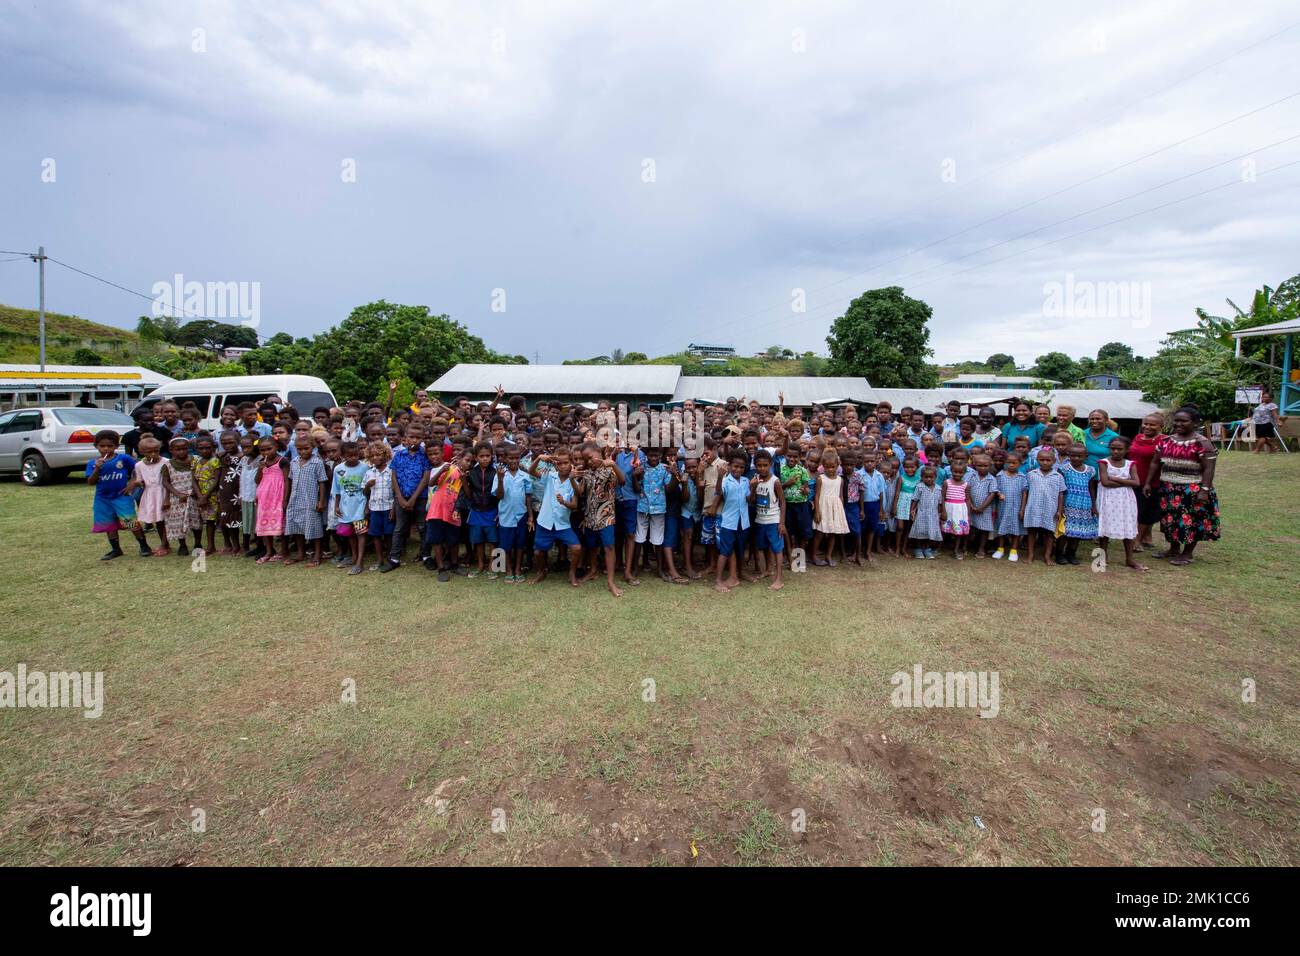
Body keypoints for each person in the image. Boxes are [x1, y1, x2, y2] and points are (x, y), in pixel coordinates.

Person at [1145, 405, 1220, 566]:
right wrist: (1149, 483)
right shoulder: (1166, 441)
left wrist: (1204, 490)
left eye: (1183, 421)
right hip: (1169, 488)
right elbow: (1155, 463)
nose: (1179, 424)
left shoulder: (1203, 443)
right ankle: (1173, 549)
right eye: (1176, 420)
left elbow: (1209, 469)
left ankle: (1187, 553)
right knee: (1170, 520)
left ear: (1194, 423)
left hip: (1192, 489)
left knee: (1191, 522)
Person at [86, 430, 151, 560]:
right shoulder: (93, 463)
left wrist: (132, 483)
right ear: (96, 446)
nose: (106, 449)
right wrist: (97, 469)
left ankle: (144, 546)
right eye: (102, 446)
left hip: (121, 496)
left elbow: (137, 470)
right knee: (108, 523)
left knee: (130, 521)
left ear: (116, 446)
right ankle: (116, 549)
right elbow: (90, 482)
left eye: (110, 446)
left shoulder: (124, 459)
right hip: (102, 498)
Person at [526, 449, 583, 586]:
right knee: (538, 552)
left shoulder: (575, 480)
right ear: (555, 464)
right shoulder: (550, 476)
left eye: (566, 463)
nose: (563, 466)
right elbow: (531, 471)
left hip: (562, 524)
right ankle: (541, 572)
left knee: (576, 548)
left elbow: (575, 505)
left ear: (571, 463)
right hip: (545, 522)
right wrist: (539, 457)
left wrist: (564, 502)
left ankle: (571, 573)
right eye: (559, 463)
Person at [1096, 436, 1146, 572]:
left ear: (1126, 450)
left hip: (1125, 500)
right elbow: (1105, 482)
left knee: (1127, 526)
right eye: (1113, 449)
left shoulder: (1130, 464)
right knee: (1105, 526)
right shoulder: (1104, 462)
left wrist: (1114, 478)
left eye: (1119, 449)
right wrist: (1125, 481)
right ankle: (1102, 557)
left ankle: (1129, 559)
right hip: (1107, 499)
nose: (1116, 451)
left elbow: (1136, 483)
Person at [285, 433, 328, 566]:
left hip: (310, 499)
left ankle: (317, 554)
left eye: (306, 448)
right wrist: (286, 499)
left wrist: (321, 501)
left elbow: (322, 482)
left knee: (314, 527)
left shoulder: (317, 462)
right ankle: (300, 553)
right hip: (295, 500)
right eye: (299, 449)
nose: (303, 451)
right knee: (296, 526)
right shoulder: (294, 462)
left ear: (313, 447)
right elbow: (290, 480)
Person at [711, 450, 751, 591]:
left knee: (740, 549)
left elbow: (749, 499)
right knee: (725, 551)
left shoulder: (746, 481)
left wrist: (754, 487)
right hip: (729, 522)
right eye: (735, 466)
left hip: (743, 522)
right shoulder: (726, 480)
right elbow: (718, 492)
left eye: (741, 467)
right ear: (729, 466)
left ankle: (738, 575)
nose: (738, 469)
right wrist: (720, 477)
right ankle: (718, 580)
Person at [493, 446, 534, 584]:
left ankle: (518, 569)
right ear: (504, 458)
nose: (513, 461)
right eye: (510, 458)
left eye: (516, 458)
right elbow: (499, 495)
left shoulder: (525, 475)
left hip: (521, 515)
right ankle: (509, 570)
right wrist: (500, 479)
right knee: (506, 545)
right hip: (506, 516)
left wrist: (530, 516)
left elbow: (528, 497)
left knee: (520, 545)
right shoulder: (499, 474)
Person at [1126, 412, 1165, 552]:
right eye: (1145, 423)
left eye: (1152, 424)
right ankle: (1147, 536)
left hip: (1151, 481)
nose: (1147, 426)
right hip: (1134, 479)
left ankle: (1137, 540)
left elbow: (1159, 462)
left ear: (1161, 426)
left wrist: (1149, 482)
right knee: (1137, 509)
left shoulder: (1164, 440)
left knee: (1145, 510)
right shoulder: (1137, 437)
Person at [749, 449, 786, 590]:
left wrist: (782, 522)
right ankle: (768, 569)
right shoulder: (754, 480)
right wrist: (753, 488)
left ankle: (779, 578)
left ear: (770, 464)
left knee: (777, 548)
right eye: (759, 465)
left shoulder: (775, 481)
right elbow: (751, 501)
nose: (762, 468)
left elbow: (783, 501)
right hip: (760, 520)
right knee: (764, 546)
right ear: (755, 466)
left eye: (765, 465)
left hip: (773, 520)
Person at [1023, 447, 1066, 567]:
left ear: (1054, 461)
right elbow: (1025, 492)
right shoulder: (1031, 474)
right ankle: (1030, 555)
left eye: (1048, 460)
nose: (1045, 462)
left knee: (1049, 533)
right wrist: (1023, 508)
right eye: (1041, 460)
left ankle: (1047, 556)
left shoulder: (1058, 476)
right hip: (1033, 508)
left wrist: (1059, 510)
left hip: (1050, 509)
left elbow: (1061, 493)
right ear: (1037, 460)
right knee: (1031, 532)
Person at [1056, 443, 1097, 566]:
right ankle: (1059, 553)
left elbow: (1091, 488)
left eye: (1079, 456)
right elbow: (1060, 489)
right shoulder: (1063, 469)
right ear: (1069, 455)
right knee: (1065, 531)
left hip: (1084, 504)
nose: (1076, 458)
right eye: (1073, 456)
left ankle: (1071, 553)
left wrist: (1093, 505)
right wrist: (1060, 506)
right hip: (1068, 503)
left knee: (1078, 531)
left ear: (1086, 456)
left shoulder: (1090, 470)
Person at [161, 435, 203, 555]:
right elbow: (165, 482)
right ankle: (182, 545)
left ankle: (198, 543)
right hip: (177, 498)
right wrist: (177, 494)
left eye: (184, 449)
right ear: (171, 450)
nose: (181, 451)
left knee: (196, 521)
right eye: (177, 449)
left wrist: (198, 492)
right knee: (178, 522)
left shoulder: (196, 460)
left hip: (194, 496)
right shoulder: (168, 465)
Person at [253, 432, 289, 563]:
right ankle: (269, 551)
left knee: (281, 525)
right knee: (264, 525)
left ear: (276, 446)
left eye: (269, 448)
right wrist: (260, 469)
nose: (266, 452)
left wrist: (285, 499)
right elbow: (257, 481)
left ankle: (284, 550)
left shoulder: (282, 461)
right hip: (264, 498)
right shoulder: (262, 462)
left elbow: (286, 480)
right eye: (262, 450)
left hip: (277, 497)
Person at [363, 441, 396, 574]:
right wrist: (367, 486)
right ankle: (379, 558)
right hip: (375, 508)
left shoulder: (391, 471)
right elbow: (364, 493)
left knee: (389, 534)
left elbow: (395, 491)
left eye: (378, 455)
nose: (375, 458)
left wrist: (394, 509)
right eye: (372, 456)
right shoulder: (369, 473)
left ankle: (389, 557)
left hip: (389, 507)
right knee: (376, 534)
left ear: (386, 455)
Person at [811, 449, 848, 567]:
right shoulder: (820, 478)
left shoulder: (840, 480)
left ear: (838, 466)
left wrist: (840, 512)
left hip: (835, 509)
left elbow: (841, 496)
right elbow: (816, 496)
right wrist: (817, 511)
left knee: (833, 533)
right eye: (827, 467)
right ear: (823, 466)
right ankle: (814, 555)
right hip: (823, 508)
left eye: (833, 467)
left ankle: (828, 555)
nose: (830, 470)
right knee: (820, 533)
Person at [992, 452, 1027, 561]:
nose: (1011, 465)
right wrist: (999, 494)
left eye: (1014, 463)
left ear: (1020, 464)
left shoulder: (1022, 477)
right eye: (1008, 462)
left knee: (1016, 528)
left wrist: (1022, 509)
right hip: (1003, 507)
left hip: (1016, 507)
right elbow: (995, 488)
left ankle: (1013, 550)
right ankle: (1000, 549)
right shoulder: (1000, 475)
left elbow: (1024, 493)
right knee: (1001, 528)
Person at [908, 465, 943, 559]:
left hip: (933, 515)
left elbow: (940, 503)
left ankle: (927, 549)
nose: (928, 479)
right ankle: (918, 549)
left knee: (930, 532)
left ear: (935, 477)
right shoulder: (920, 487)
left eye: (931, 477)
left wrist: (940, 513)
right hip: (921, 514)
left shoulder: (938, 489)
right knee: (920, 532)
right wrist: (912, 511)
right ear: (922, 477)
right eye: (925, 477)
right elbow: (915, 500)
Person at [941, 454, 971, 558]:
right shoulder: (947, 482)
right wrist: (943, 511)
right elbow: (943, 497)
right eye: (955, 472)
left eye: (960, 472)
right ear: (951, 471)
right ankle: (939, 546)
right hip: (948, 507)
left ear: (964, 472)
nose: (957, 474)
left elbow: (967, 499)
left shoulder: (966, 484)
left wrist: (968, 513)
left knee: (958, 531)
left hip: (960, 509)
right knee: (944, 528)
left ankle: (956, 549)